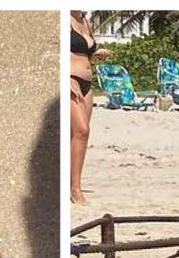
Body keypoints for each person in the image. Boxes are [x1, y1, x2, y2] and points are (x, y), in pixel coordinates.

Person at [69, 10, 111, 205]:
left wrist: (95, 54)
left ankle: (74, 183)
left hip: (87, 82)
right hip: (71, 79)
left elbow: (84, 55)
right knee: (81, 131)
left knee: (81, 135)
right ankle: (75, 190)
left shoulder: (86, 21)